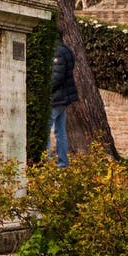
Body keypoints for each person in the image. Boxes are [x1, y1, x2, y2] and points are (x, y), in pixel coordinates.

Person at [48, 33, 78, 167]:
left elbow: (57, 77)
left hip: (57, 98)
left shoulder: (58, 53)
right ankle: (63, 162)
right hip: (63, 97)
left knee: (47, 130)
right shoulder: (66, 50)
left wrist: (46, 90)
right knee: (60, 131)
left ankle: (47, 161)